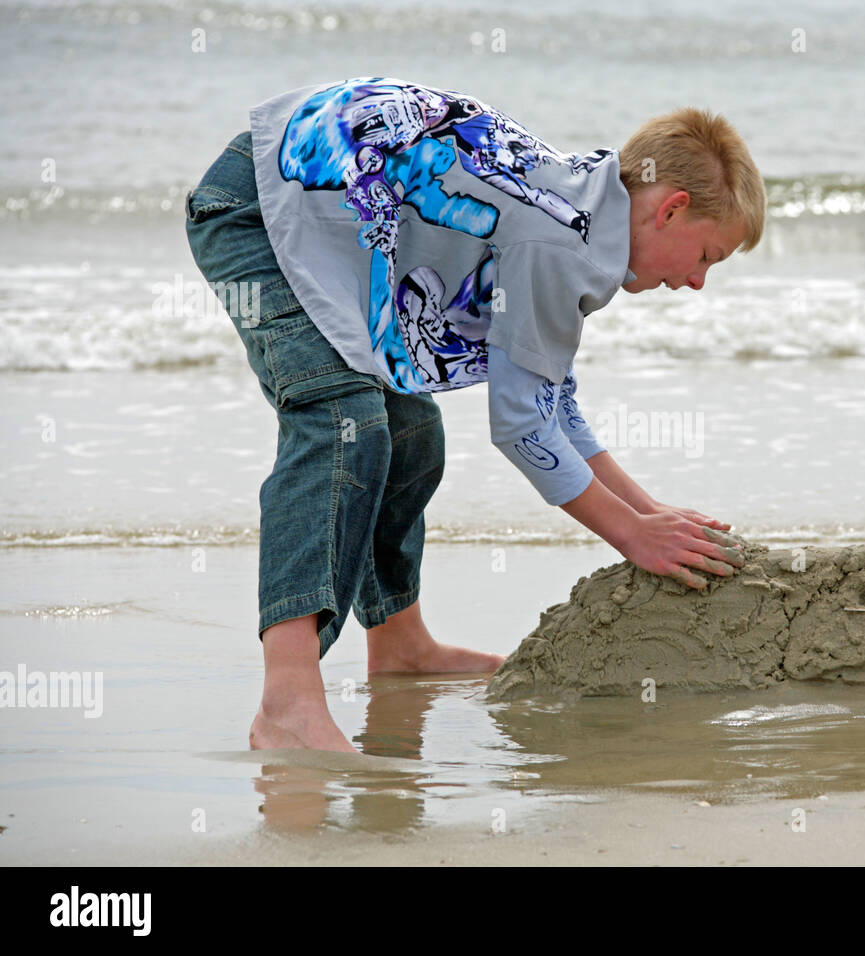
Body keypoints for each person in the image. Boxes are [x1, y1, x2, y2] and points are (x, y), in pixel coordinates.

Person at [183, 77, 766, 752]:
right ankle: (286, 703)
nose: (695, 282)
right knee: (344, 423)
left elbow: (552, 403)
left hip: (336, 228)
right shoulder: (561, 237)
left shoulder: (582, 207)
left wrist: (649, 513)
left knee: (410, 431)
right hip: (262, 207)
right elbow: (522, 427)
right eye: (706, 257)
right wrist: (633, 537)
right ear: (670, 209)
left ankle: (399, 646)